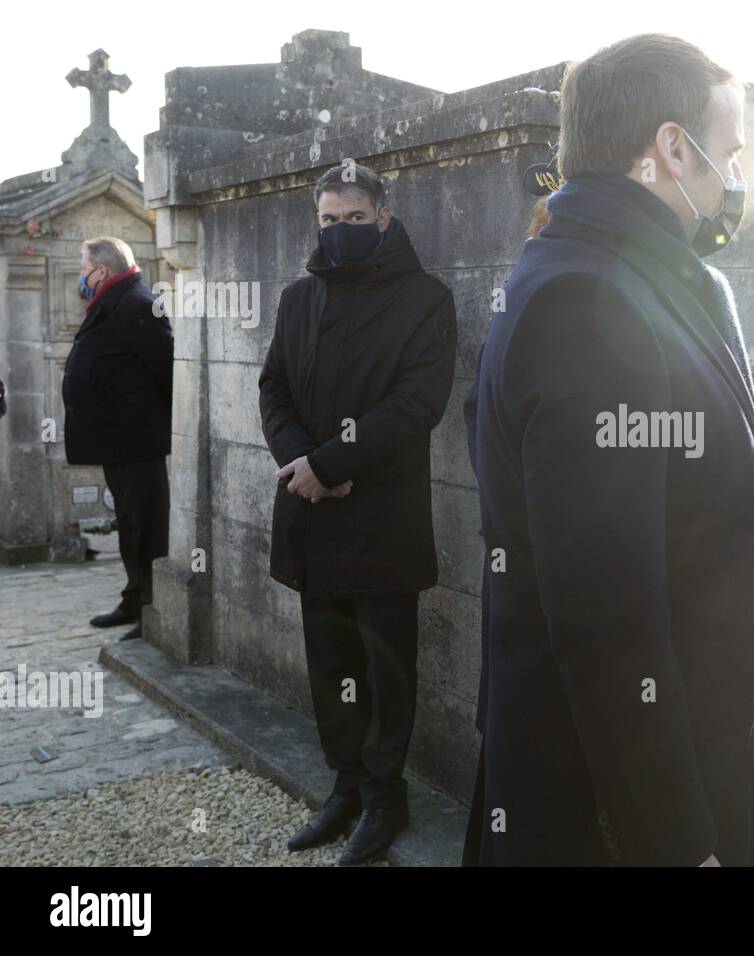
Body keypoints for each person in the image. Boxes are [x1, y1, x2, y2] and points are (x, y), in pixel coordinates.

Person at [463, 34, 754, 867]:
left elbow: (667, 475)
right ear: (674, 147)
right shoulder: (587, 301)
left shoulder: (626, 271)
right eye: (730, 150)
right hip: (615, 784)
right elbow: (606, 610)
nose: (734, 174)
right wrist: (675, 841)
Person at [258, 161, 457, 865]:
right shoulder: (297, 299)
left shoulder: (426, 300)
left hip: (379, 519)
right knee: (329, 664)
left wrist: (330, 465)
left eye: (354, 219)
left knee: (383, 666)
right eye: (328, 221)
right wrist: (299, 463)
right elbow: (274, 387)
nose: (341, 232)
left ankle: (384, 797)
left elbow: (416, 403)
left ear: (384, 217)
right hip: (311, 511)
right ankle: (344, 787)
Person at [63, 237, 173, 642]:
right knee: (129, 524)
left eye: (83, 266)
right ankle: (133, 597)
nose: (81, 274)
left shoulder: (138, 304)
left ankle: (153, 611)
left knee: (148, 528)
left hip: (137, 441)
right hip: (114, 441)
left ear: (101, 271)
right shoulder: (113, 301)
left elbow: (168, 370)